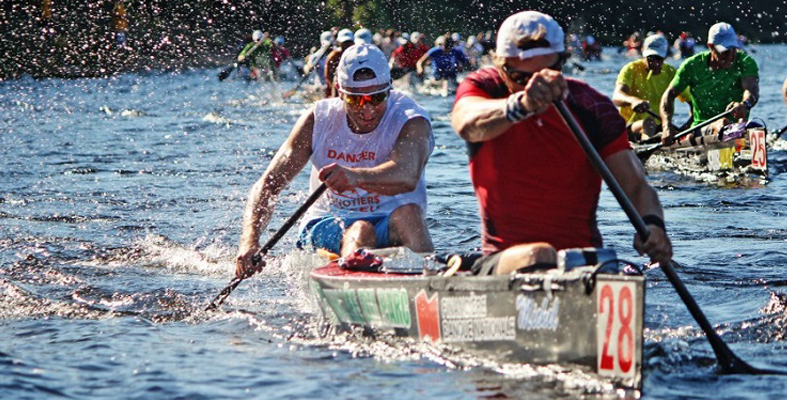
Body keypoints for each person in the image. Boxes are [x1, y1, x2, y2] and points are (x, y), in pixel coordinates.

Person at [450, 11, 672, 275]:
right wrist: (522, 104)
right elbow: (466, 122)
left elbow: (636, 187)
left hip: (581, 264)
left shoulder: (592, 107)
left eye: (548, 72)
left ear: (561, 63)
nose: (536, 84)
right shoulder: (485, 87)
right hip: (504, 261)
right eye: (522, 78)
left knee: (609, 265)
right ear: (500, 66)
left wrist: (654, 225)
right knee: (539, 254)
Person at [235, 44, 435, 278]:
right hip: (329, 220)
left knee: (411, 215)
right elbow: (268, 183)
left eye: (377, 97)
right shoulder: (318, 119)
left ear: (390, 89)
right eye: (356, 100)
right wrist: (249, 242)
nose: (368, 110)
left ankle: (431, 284)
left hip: (391, 220)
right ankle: (352, 286)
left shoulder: (411, 119)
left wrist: (355, 176)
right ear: (340, 92)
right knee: (362, 230)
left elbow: (406, 176)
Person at [660, 22, 759, 143]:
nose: (730, 56)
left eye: (733, 49)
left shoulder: (745, 62)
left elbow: (751, 90)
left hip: (737, 127)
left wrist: (745, 104)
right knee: (721, 123)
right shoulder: (692, 66)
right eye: (724, 51)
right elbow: (668, 95)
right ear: (710, 46)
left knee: (755, 126)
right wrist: (666, 126)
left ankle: (740, 142)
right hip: (701, 128)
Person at [613, 34, 691, 141]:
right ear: (643, 53)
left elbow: (693, 103)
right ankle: (647, 145)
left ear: (665, 57)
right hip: (631, 127)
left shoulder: (670, 72)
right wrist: (633, 101)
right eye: (650, 58)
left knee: (656, 126)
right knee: (649, 122)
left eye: (658, 59)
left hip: (660, 128)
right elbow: (617, 96)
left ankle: (656, 140)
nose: (654, 63)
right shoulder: (631, 69)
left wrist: (685, 130)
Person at [324, 29, 356, 97]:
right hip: (335, 88)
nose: (347, 45)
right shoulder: (333, 56)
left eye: (349, 42)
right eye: (345, 43)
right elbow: (328, 76)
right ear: (339, 43)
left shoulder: (356, 55)